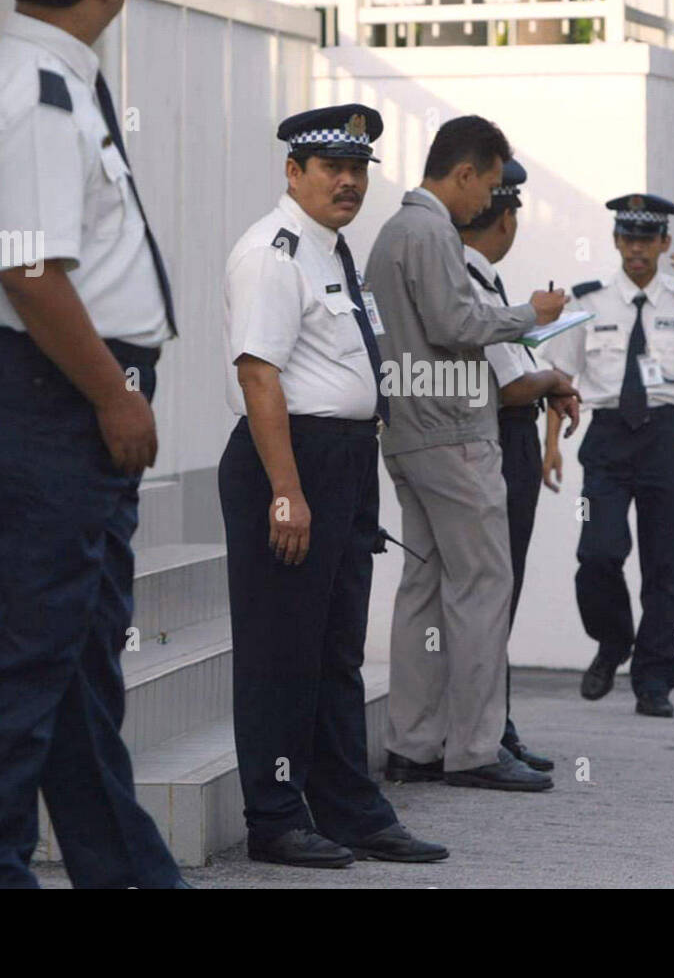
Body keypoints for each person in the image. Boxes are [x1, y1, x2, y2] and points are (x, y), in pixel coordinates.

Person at [0, 0, 186, 888]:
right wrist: (113, 395)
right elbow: (31, 273)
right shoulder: (40, 92)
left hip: (61, 396)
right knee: (24, 654)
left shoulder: (58, 73)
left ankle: (121, 868)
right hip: (56, 397)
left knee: (81, 661)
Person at [218, 104, 447, 868]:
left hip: (344, 458)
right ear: (294, 171)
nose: (348, 182)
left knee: (335, 649)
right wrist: (286, 489)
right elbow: (259, 373)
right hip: (291, 459)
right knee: (282, 648)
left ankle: (349, 806)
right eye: (331, 168)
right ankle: (276, 814)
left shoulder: (332, 251)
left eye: (359, 168)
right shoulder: (274, 252)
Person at [365, 116, 567, 792]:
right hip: (453, 433)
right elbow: (456, 324)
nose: (489, 202)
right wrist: (529, 315)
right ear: (463, 173)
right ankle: (477, 746)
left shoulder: (394, 233)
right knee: (482, 585)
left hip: (410, 430)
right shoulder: (430, 232)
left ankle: (413, 742)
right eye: (487, 184)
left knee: (422, 590)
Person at [542, 194, 674, 719]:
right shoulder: (588, 301)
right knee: (598, 553)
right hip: (607, 437)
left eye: (647, 240)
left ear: (664, 243)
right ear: (616, 241)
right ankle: (613, 639)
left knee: (669, 565)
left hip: (665, 438)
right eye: (628, 239)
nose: (637, 250)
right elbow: (561, 378)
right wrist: (551, 446)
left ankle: (655, 681)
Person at [459, 158, 581, 773]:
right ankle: (487, 729)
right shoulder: (474, 279)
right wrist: (555, 378)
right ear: (504, 219)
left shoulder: (477, 277)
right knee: (497, 590)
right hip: (503, 438)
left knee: (496, 588)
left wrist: (545, 381)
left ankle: (494, 722)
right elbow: (508, 387)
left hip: (504, 435)